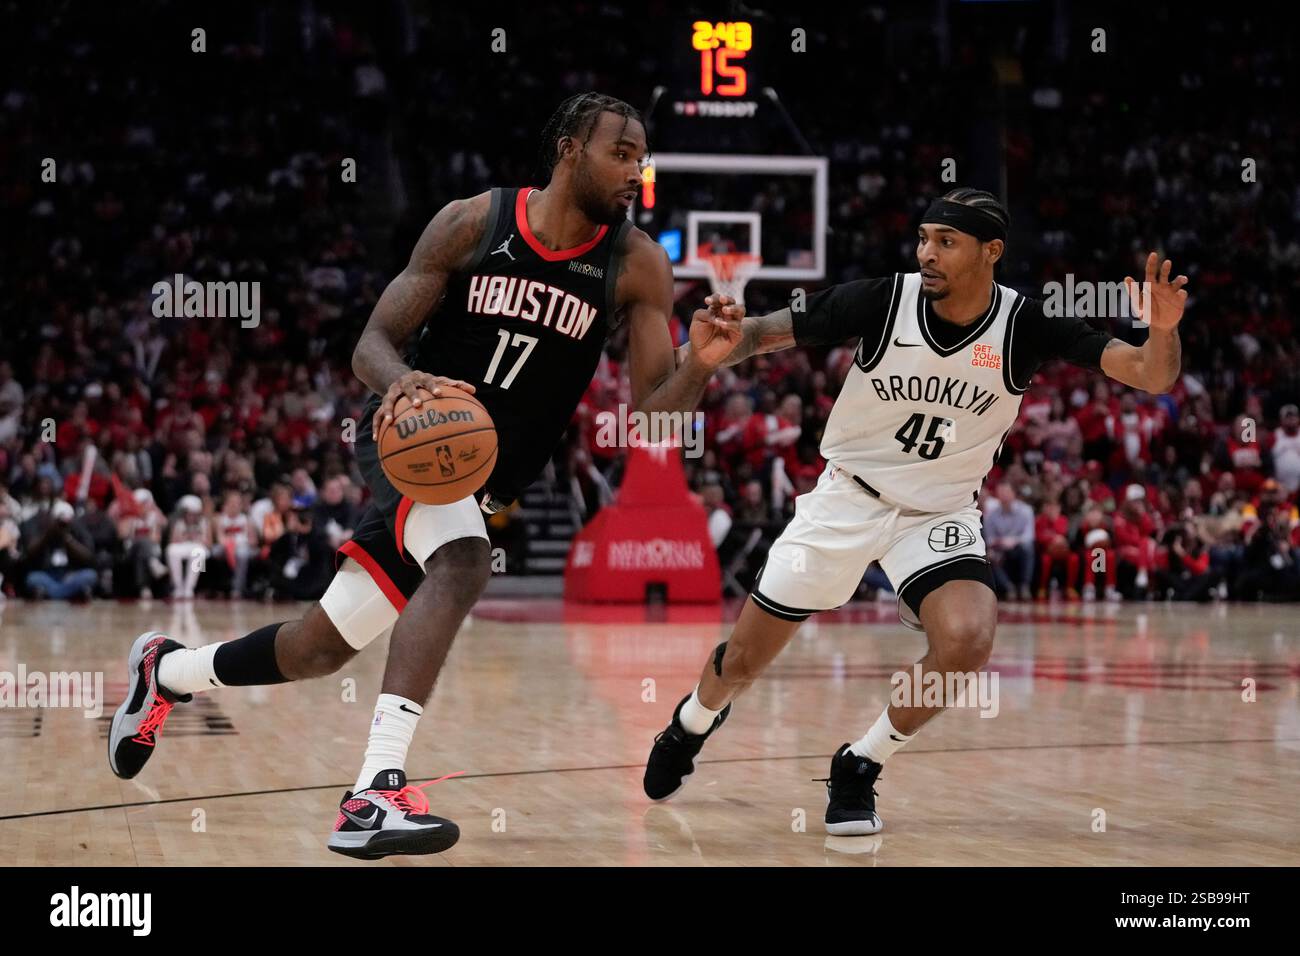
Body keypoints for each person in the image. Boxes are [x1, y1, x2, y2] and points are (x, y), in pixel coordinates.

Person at [108, 92, 743, 860]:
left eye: (642, 158)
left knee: (320, 648)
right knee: (465, 559)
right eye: (620, 153)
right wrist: (404, 382)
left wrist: (701, 365)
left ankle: (167, 670)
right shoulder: (473, 222)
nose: (635, 172)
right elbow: (372, 342)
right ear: (571, 150)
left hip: (487, 479)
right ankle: (374, 791)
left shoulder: (636, 261)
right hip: (413, 439)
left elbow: (654, 412)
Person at [643, 188, 1190, 836]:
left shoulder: (1024, 325)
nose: (927, 253)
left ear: (992, 251)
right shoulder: (882, 299)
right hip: (847, 498)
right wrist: (716, 348)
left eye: (946, 242)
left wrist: (1162, 330)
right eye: (924, 238)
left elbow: (1150, 376)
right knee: (741, 662)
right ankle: (690, 724)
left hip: (938, 514)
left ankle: (861, 764)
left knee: (968, 639)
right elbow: (762, 334)